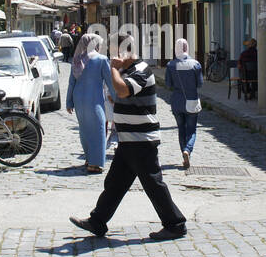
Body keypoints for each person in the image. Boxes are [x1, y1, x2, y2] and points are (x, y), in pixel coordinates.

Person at [71, 54, 187, 241]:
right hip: (129, 139)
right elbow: (126, 97)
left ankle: (175, 224)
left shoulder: (142, 70)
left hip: (141, 140)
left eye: (118, 53)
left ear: (129, 53)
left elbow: (124, 91)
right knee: (115, 183)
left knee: (153, 184)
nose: (114, 57)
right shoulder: (129, 72)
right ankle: (97, 221)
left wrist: (114, 70)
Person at [67, 32, 110, 173]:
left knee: (84, 129)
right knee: (98, 130)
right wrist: (117, 97)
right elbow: (109, 81)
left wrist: (69, 102)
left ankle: (88, 158)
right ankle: (96, 163)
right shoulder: (101, 59)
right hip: (94, 100)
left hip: (79, 100)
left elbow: (71, 82)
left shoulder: (77, 60)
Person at [165, 37, 203, 169]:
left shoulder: (170, 65)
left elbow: (168, 84)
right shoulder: (196, 64)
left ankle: (183, 153)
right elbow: (200, 84)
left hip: (177, 101)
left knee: (181, 128)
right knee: (191, 130)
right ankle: (188, 150)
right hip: (192, 100)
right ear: (187, 48)